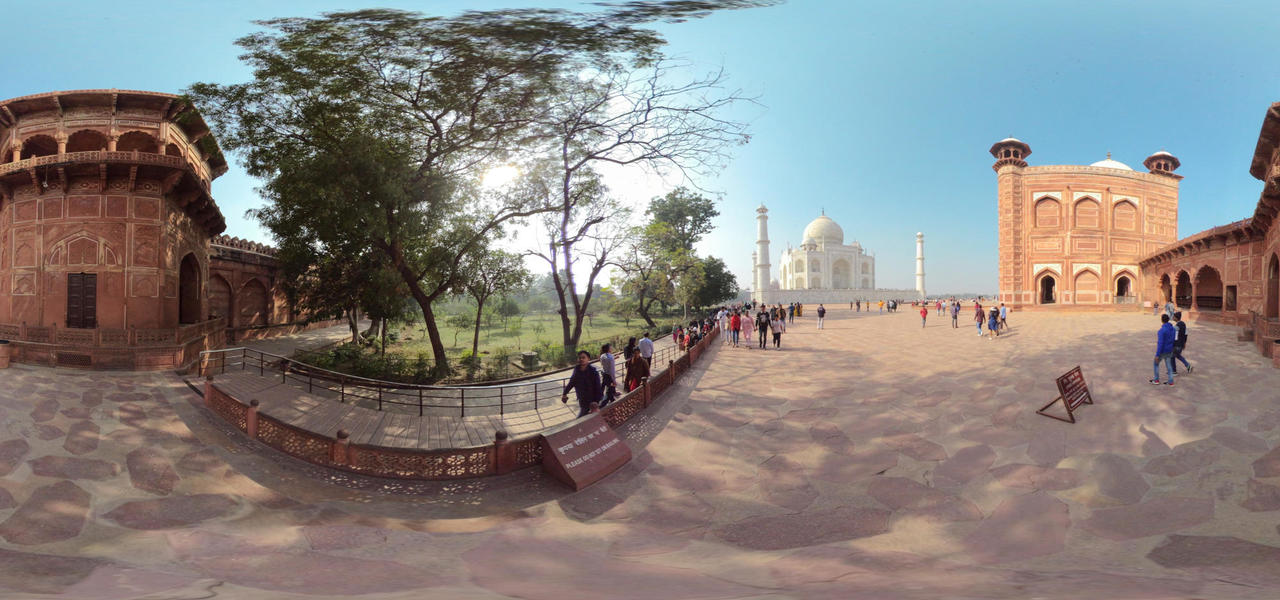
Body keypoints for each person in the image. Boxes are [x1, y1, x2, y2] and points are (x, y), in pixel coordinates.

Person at [562, 350, 603, 417]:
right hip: (582, 399)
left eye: (583, 357)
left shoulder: (593, 371)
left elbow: (598, 387)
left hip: (592, 401)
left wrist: (596, 401)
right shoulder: (577, 370)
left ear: (588, 359)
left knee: (581, 418)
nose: (581, 359)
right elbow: (571, 382)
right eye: (580, 358)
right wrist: (564, 393)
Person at [1151, 314, 1177, 385]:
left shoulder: (1161, 331)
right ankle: (1171, 381)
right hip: (1169, 350)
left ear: (1162, 320)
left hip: (1163, 351)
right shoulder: (1173, 329)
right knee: (1169, 365)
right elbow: (1173, 339)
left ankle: (1156, 380)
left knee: (1156, 364)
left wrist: (1157, 355)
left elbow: (1160, 343)